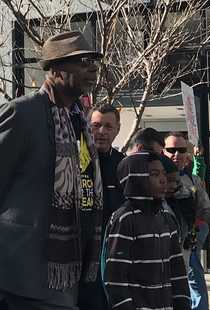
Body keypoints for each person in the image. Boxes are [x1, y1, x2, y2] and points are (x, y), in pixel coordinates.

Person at [0, 30, 105, 310]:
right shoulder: (22, 114)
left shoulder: (78, 121)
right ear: (56, 69)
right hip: (23, 272)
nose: (92, 68)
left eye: (94, 61)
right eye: (82, 61)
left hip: (68, 271)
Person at [103, 152, 189, 310]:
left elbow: (178, 270)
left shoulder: (166, 218)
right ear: (136, 178)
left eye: (163, 173)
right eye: (154, 175)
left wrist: (183, 303)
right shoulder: (125, 219)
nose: (163, 180)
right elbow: (115, 276)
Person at [164, 133, 210, 310]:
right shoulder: (151, 178)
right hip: (156, 251)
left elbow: (205, 210)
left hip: (184, 248)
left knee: (185, 289)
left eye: (181, 150)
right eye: (171, 150)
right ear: (163, 151)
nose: (176, 154)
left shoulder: (192, 181)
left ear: (187, 154)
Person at [78, 104, 125, 310]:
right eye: (96, 125)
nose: (102, 132)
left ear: (117, 129)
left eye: (108, 126)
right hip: (76, 258)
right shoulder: (72, 162)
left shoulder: (123, 166)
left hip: (113, 258)